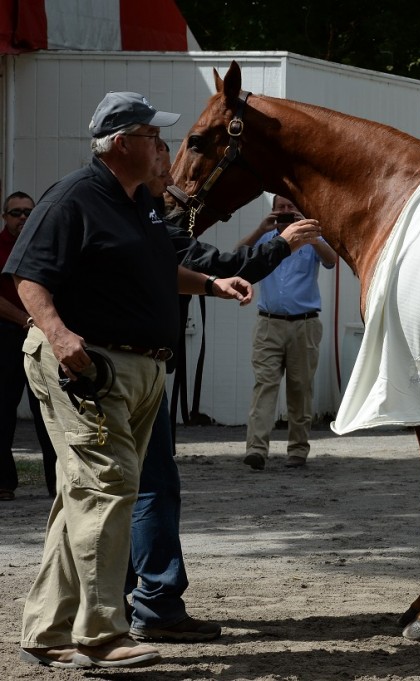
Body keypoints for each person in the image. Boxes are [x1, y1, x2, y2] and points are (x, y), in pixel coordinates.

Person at [5, 91, 253, 670]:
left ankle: (47, 631)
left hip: (139, 368)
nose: (163, 147)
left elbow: (157, 269)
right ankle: (100, 633)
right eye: (152, 136)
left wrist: (210, 284)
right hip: (88, 367)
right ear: (120, 144)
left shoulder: (138, 201)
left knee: (86, 495)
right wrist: (61, 339)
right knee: (107, 488)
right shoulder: (73, 197)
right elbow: (26, 276)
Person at [125, 142, 325, 644]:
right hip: (125, 365)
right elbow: (219, 258)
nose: (175, 177)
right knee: (143, 485)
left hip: (152, 364)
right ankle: (140, 603)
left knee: (143, 485)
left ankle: (134, 599)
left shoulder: (144, 215)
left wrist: (212, 285)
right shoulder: (120, 210)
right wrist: (270, 239)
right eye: (163, 161)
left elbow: (193, 265)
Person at [238, 195, 338, 470]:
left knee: (300, 388)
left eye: (290, 207)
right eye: (280, 208)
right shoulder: (265, 239)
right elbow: (236, 255)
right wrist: (261, 229)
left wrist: (310, 235)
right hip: (268, 324)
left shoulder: (311, 239)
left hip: (304, 324)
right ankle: (256, 449)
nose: (285, 212)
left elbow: (331, 260)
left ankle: (298, 449)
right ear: (273, 212)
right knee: (264, 386)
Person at [0, 191, 57, 500]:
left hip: (43, 336)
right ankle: (3, 483)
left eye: (28, 212)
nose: (23, 217)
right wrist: (27, 319)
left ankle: (57, 483)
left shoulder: (44, 245)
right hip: (6, 336)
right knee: (2, 410)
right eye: (16, 212)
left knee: (49, 410)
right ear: (4, 217)